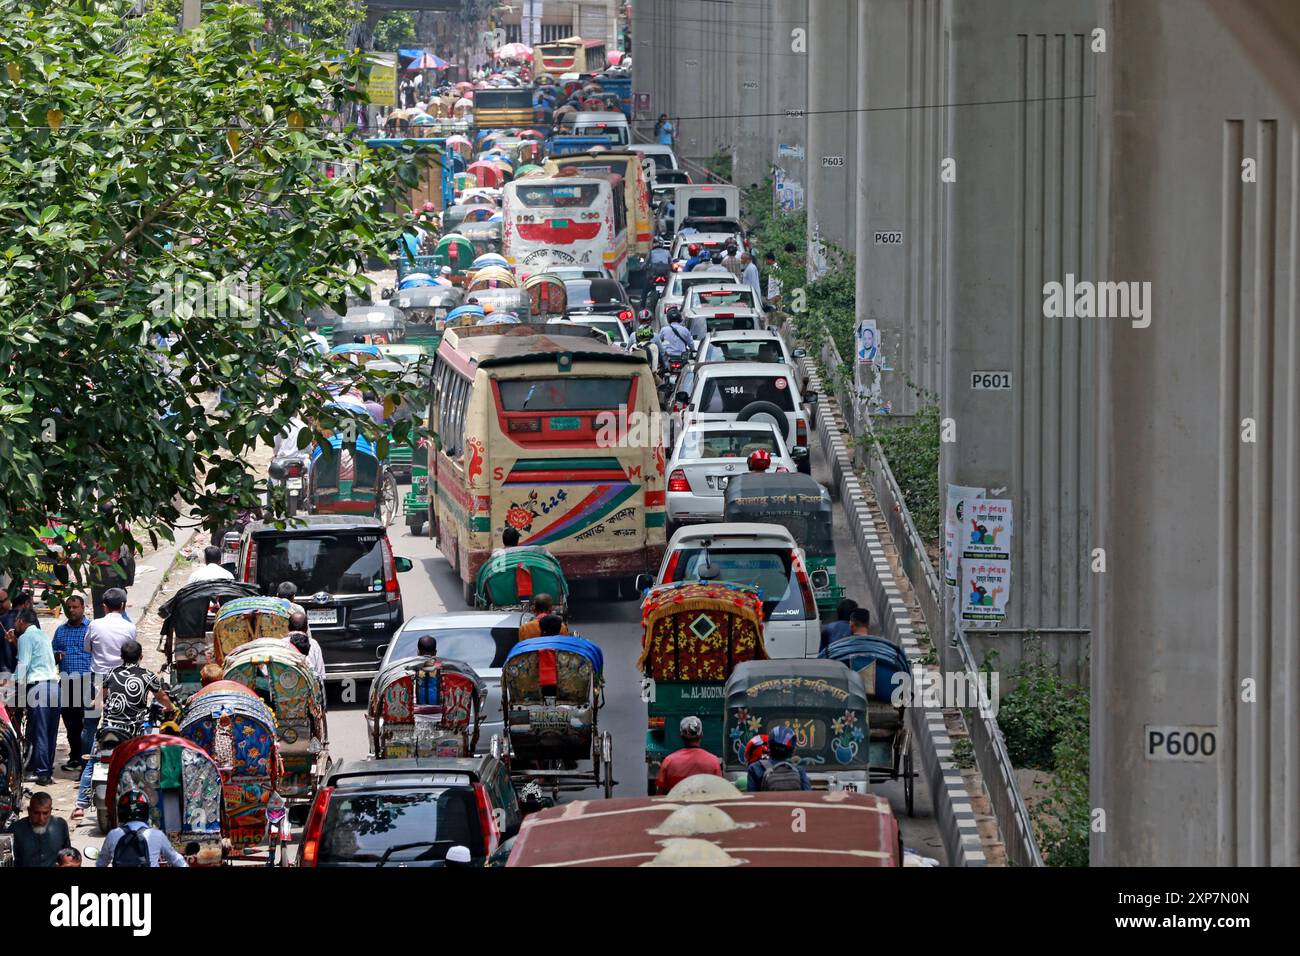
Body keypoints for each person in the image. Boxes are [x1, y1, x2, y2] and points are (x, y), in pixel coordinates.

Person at [73, 640, 171, 823]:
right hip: (132, 734)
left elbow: (97, 701)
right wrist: (171, 707)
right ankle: (149, 802)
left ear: (121, 657)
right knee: (145, 764)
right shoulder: (148, 676)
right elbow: (162, 697)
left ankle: (80, 805)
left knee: (92, 763)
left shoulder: (110, 674)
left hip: (108, 730)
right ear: (141, 657)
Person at [14, 608, 60, 786]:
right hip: (54, 686)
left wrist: (9, 682)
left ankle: (42, 773)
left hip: (39, 688)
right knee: (50, 732)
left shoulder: (25, 637)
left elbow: (23, 667)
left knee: (39, 732)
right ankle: (46, 769)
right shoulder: (42, 635)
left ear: (21, 621)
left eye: (16, 621)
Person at [51, 594, 94, 772]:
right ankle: (75, 756)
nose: (72, 610)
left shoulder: (91, 628)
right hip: (67, 682)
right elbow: (51, 654)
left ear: (83, 608)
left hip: (88, 681)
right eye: (69, 607)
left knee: (88, 723)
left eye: (75, 607)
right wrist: (56, 655)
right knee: (70, 723)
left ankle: (88, 759)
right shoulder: (61, 631)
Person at [97, 790, 189, 867]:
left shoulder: (113, 835)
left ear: (121, 812)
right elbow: (175, 859)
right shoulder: (157, 835)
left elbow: (101, 863)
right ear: (146, 811)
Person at [654, 716, 723, 794]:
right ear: (701, 735)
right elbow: (718, 793)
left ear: (681, 736)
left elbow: (659, 795)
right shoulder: (713, 762)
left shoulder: (669, 761)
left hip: (677, 806)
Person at [10, 792, 72, 867]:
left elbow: (67, 855)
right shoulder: (15, 830)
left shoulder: (61, 825)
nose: (41, 819)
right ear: (29, 811)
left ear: (50, 811)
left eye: (45, 813)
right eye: (36, 813)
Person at [747, 724, 811, 792]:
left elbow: (752, 796)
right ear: (792, 750)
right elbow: (808, 795)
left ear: (769, 745)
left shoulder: (754, 768)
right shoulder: (799, 771)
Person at [285, 610, 326, 688]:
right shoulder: (313, 644)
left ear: (288, 627)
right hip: (309, 690)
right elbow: (321, 675)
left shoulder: (280, 644)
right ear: (306, 628)